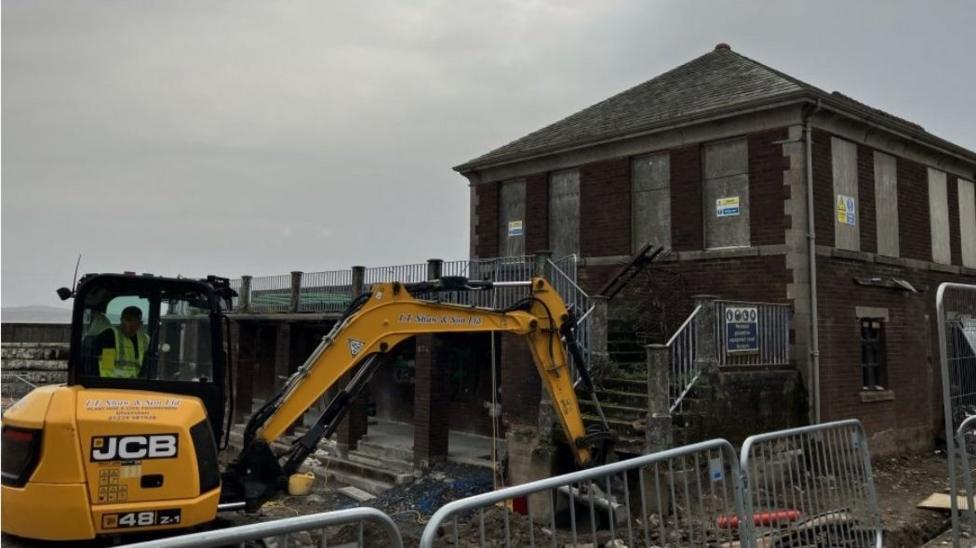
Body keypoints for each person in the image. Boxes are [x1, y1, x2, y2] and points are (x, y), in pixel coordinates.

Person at [96, 306, 150, 378]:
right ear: (121, 320)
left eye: (134, 324)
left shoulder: (145, 339)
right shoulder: (109, 335)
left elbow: (146, 366)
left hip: (136, 384)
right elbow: (106, 367)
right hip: (113, 384)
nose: (128, 327)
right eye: (127, 321)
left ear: (140, 324)